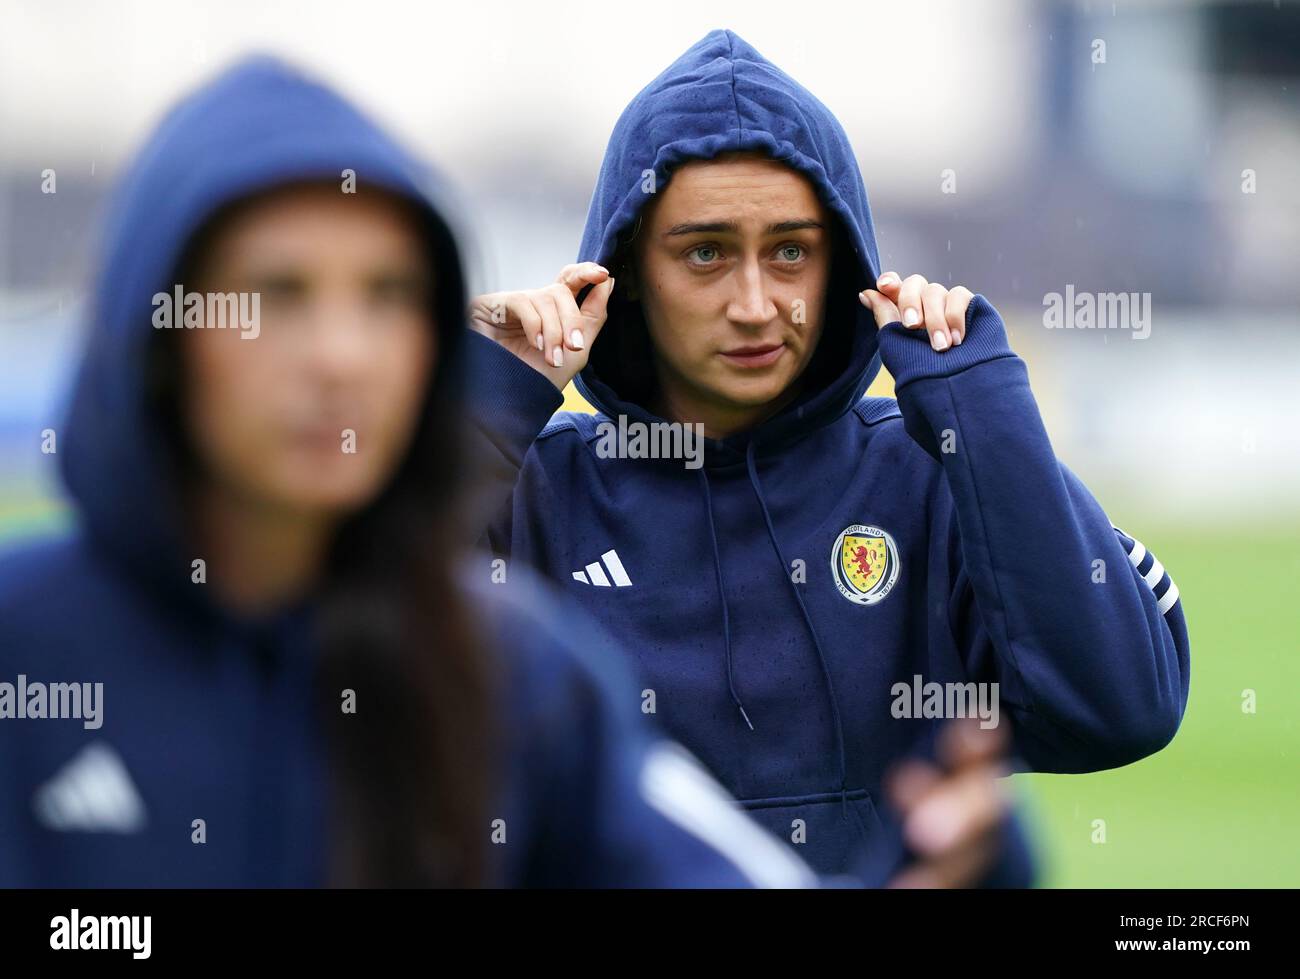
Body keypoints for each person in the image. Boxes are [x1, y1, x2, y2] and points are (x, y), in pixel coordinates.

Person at [0, 56, 1012, 888]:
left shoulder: (511, 669)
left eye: (390, 294)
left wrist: (954, 862)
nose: (342, 355)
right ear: (160, 328)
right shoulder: (25, 645)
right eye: (278, 293)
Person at [466, 29, 1191, 877]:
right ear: (623, 270)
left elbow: (1119, 709)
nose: (753, 303)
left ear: (839, 261)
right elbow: (340, 690)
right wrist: (483, 403)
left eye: (790, 251)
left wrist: (979, 408)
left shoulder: (926, 474)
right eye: (704, 252)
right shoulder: (532, 489)